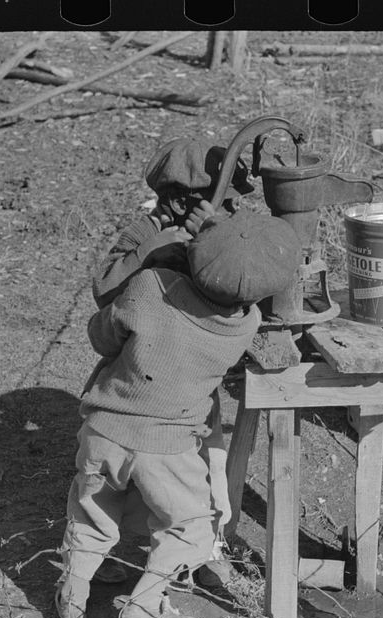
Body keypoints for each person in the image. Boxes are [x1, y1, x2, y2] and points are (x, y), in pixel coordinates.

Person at [56, 208, 301, 618]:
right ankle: (145, 605)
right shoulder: (245, 325)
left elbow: (101, 336)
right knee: (191, 526)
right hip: (165, 448)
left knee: (91, 512)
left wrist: (182, 242)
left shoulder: (149, 287)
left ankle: (72, 598)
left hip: (102, 431)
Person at [85, 138, 255, 590]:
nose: (235, 204)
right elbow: (105, 290)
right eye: (222, 197)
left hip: (192, 389)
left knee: (207, 467)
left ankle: (202, 551)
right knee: (117, 481)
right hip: (136, 382)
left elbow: (255, 275)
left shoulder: (229, 225)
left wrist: (215, 235)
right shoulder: (148, 229)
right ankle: (119, 557)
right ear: (178, 198)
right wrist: (154, 250)